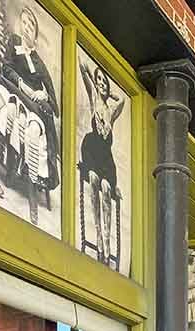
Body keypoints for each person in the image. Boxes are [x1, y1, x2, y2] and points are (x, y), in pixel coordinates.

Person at [0, 5, 60, 225]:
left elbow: (55, 105)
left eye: (31, 25)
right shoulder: (13, 43)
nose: (26, 28)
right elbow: (5, 68)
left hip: (33, 107)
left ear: (35, 33)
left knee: (33, 129)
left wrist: (41, 94)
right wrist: (23, 86)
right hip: (12, 90)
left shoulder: (39, 63)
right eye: (24, 22)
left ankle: (32, 189)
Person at [79, 59, 125, 267]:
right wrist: (91, 75)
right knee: (94, 181)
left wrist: (107, 92)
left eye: (103, 81)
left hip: (106, 159)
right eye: (99, 81)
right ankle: (98, 238)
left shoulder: (111, 111)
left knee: (106, 188)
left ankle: (106, 241)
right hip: (91, 149)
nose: (101, 83)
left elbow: (122, 99)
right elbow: (82, 68)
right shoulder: (93, 99)